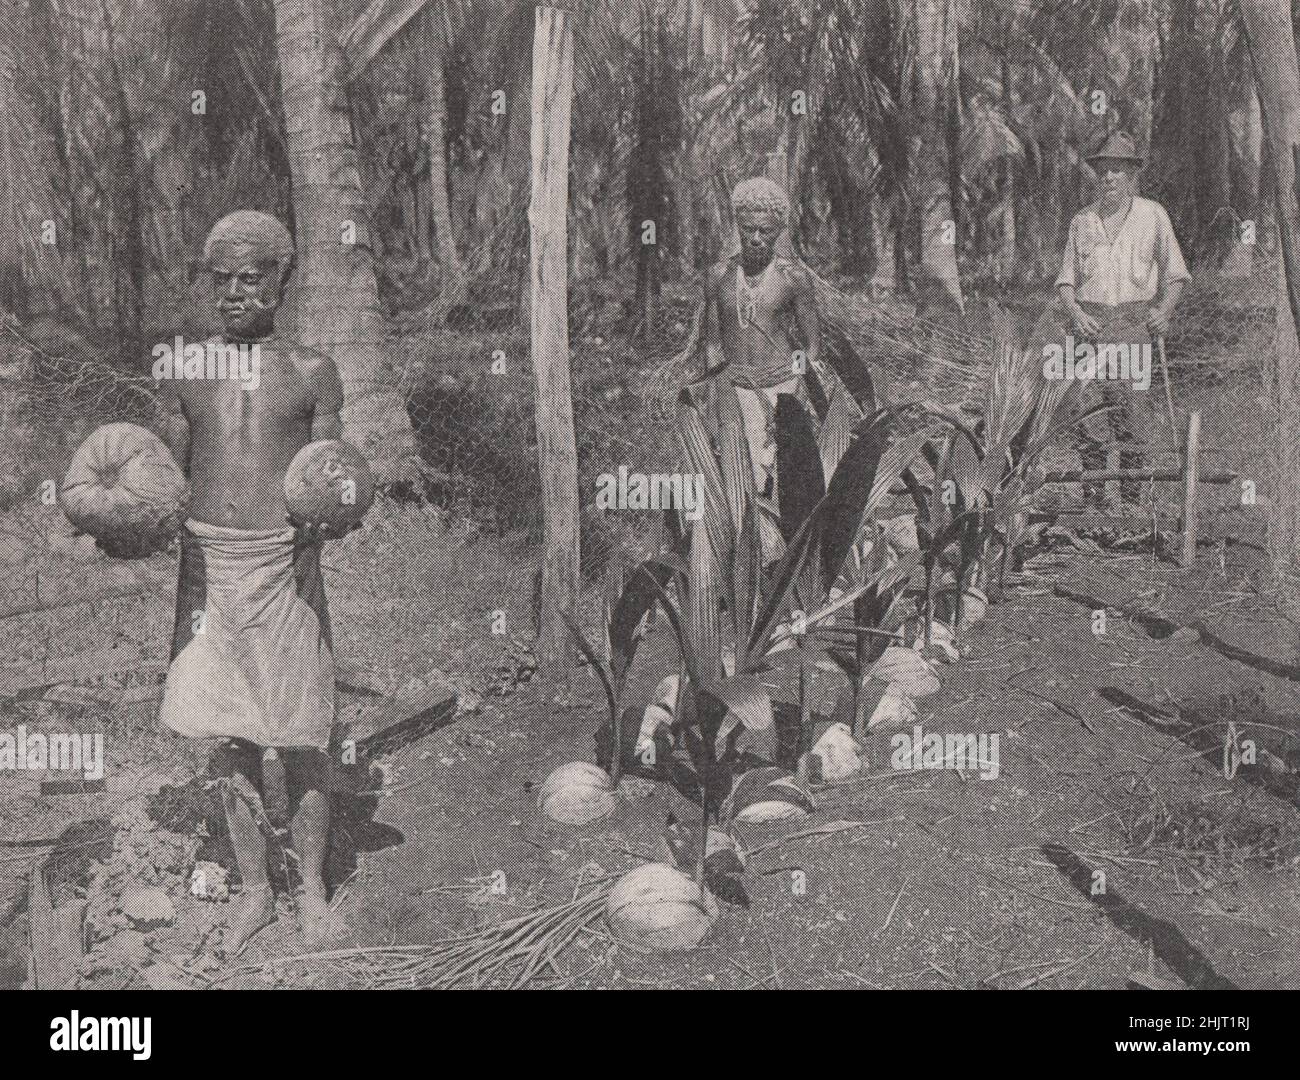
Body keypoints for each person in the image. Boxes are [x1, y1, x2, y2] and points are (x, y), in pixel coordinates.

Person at [157, 210, 350, 955]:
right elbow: (164, 479)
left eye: (251, 277)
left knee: (300, 736)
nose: (235, 292)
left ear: (282, 279)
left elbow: (332, 480)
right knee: (231, 738)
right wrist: (126, 517)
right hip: (209, 569)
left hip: (283, 569)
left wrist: (338, 514)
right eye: (221, 279)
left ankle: (312, 890)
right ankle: (255, 892)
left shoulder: (311, 371)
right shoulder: (185, 368)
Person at [1053, 131, 1190, 506]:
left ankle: (1131, 507)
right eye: (1104, 171)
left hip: (1133, 326)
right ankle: (1095, 502)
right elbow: (1066, 281)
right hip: (1088, 326)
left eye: (1118, 171)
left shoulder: (1152, 215)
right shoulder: (1082, 221)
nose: (1109, 178)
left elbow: (1175, 274)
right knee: (1087, 416)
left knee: (1130, 415)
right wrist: (1076, 312)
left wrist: (1164, 311)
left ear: (1132, 175)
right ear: (1096, 176)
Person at [702, 177, 820, 555]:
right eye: (748, 229)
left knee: (784, 477)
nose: (755, 238)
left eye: (765, 232)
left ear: (779, 232)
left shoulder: (793, 279)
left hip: (781, 386)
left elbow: (812, 343)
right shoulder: (719, 276)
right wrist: (714, 392)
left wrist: (798, 389)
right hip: (735, 390)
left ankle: (789, 559)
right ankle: (750, 559)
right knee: (742, 478)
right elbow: (713, 341)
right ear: (737, 227)